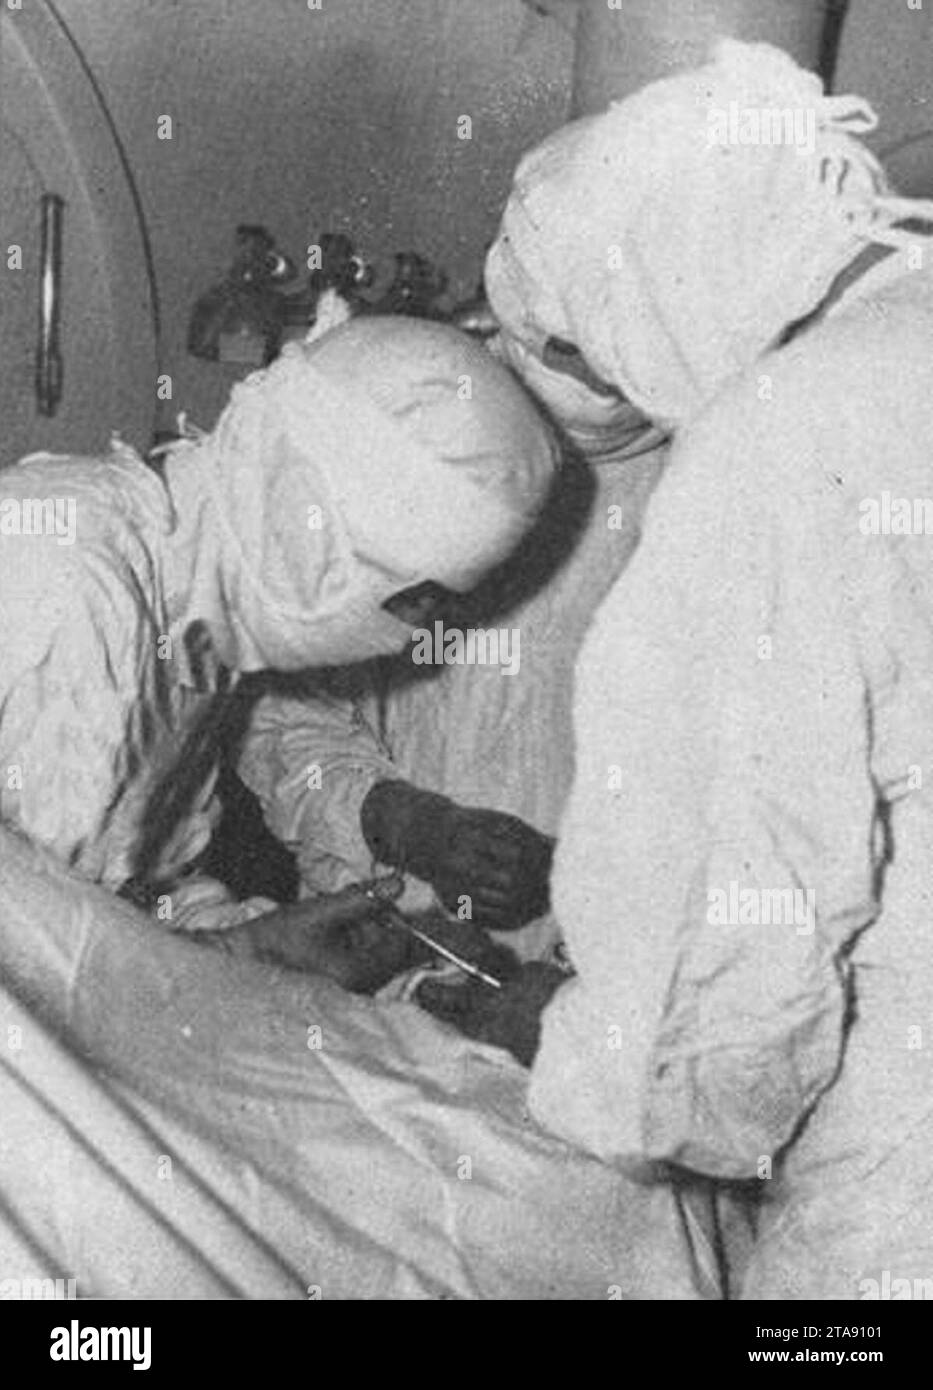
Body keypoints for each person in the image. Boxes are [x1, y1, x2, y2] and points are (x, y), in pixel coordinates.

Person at [453, 37, 933, 1297]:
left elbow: (750, 886)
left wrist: (589, 1052)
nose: (605, 387)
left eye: (581, 348)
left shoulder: (780, 442)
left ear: (653, 284)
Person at [0, 315, 557, 990]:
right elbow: (32, 973)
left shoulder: (200, 623)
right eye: (417, 600)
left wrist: (266, 948)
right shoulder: (51, 574)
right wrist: (247, 957)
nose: (418, 632)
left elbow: (125, 899)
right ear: (313, 527)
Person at [236, 288, 669, 1030]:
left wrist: (576, 889)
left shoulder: (710, 496)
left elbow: (737, 815)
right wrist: (401, 823)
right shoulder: (425, 417)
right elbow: (286, 719)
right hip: (365, 952)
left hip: (593, 1004)